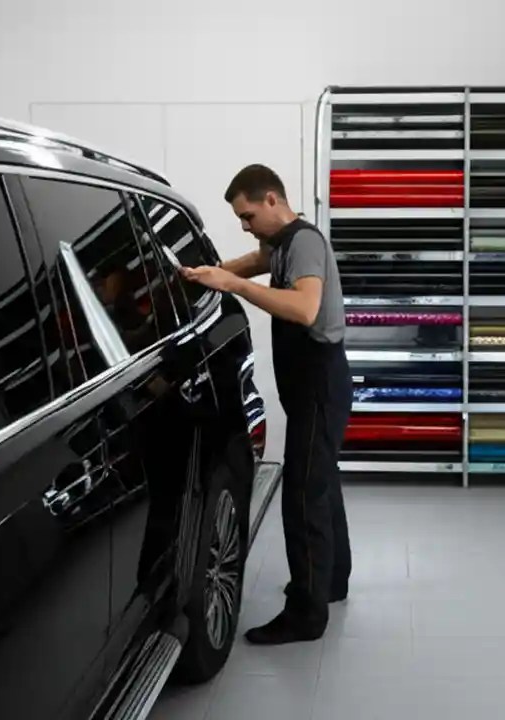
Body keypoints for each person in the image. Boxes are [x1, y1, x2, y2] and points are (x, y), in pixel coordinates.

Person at [180, 163, 352, 645]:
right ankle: (331, 580)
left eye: (248, 215)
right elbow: (257, 261)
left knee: (302, 496)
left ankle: (306, 614)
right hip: (313, 385)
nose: (245, 225)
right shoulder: (281, 243)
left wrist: (233, 287)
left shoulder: (305, 242)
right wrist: (208, 273)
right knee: (321, 485)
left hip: (318, 383)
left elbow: (304, 309)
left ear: (273, 200)